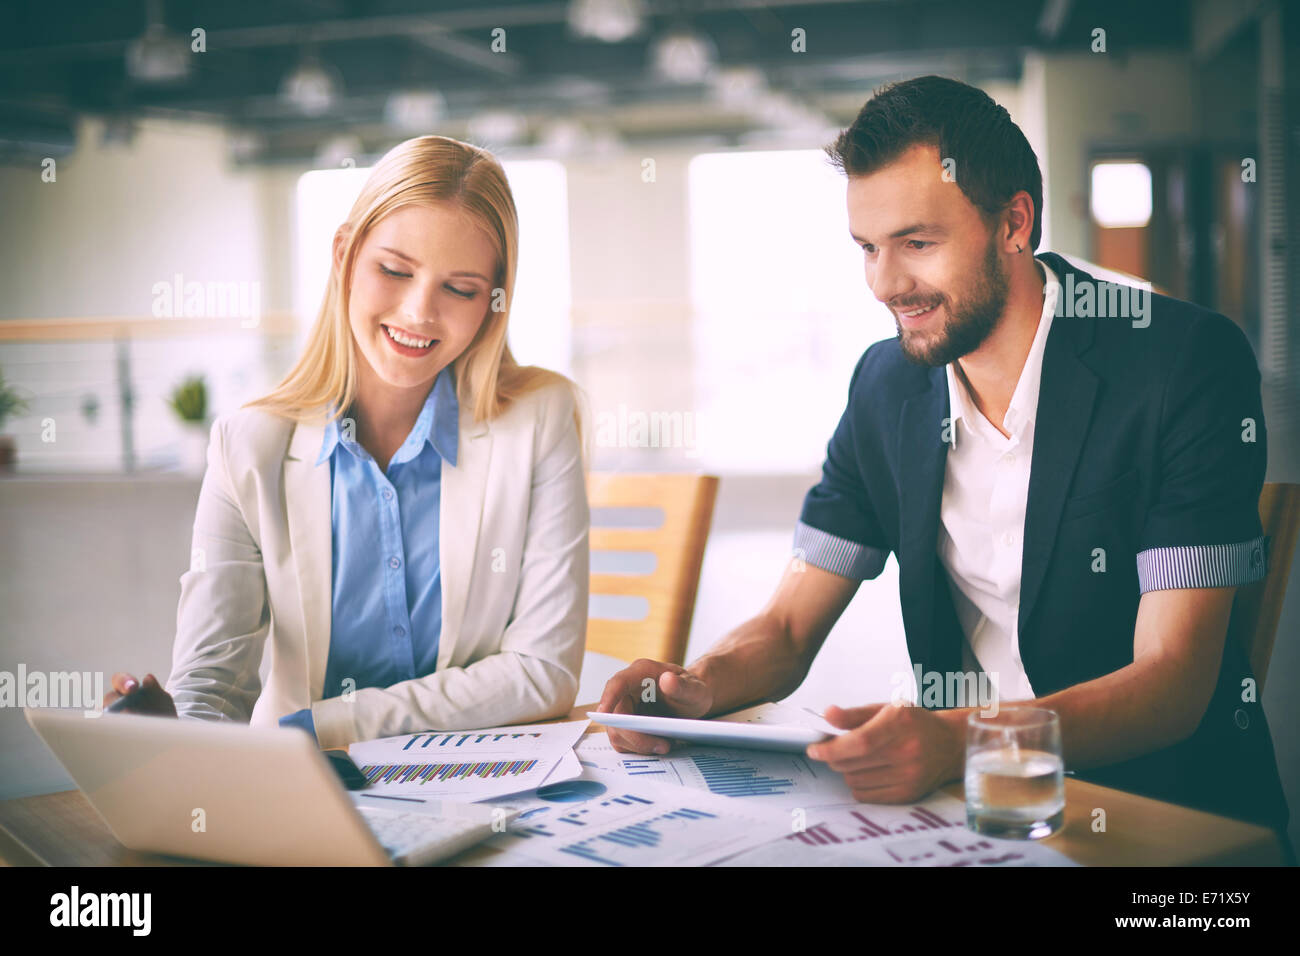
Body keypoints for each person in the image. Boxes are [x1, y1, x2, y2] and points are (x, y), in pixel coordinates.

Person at [598, 75, 1290, 835]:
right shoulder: (885, 385)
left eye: (917, 244)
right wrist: (695, 685)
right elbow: (790, 628)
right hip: (965, 815)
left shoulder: (1182, 364)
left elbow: (1171, 682)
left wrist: (953, 742)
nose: (886, 284)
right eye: (868, 248)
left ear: (1014, 224)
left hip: (1156, 818)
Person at [104, 136, 590, 751]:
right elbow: (212, 689)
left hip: (481, 784)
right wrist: (164, 737)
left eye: (460, 289)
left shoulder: (540, 421)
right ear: (344, 257)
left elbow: (541, 672)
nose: (419, 313)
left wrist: (321, 727)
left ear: (494, 302)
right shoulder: (247, 446)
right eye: (394, 270)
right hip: (308, 796)